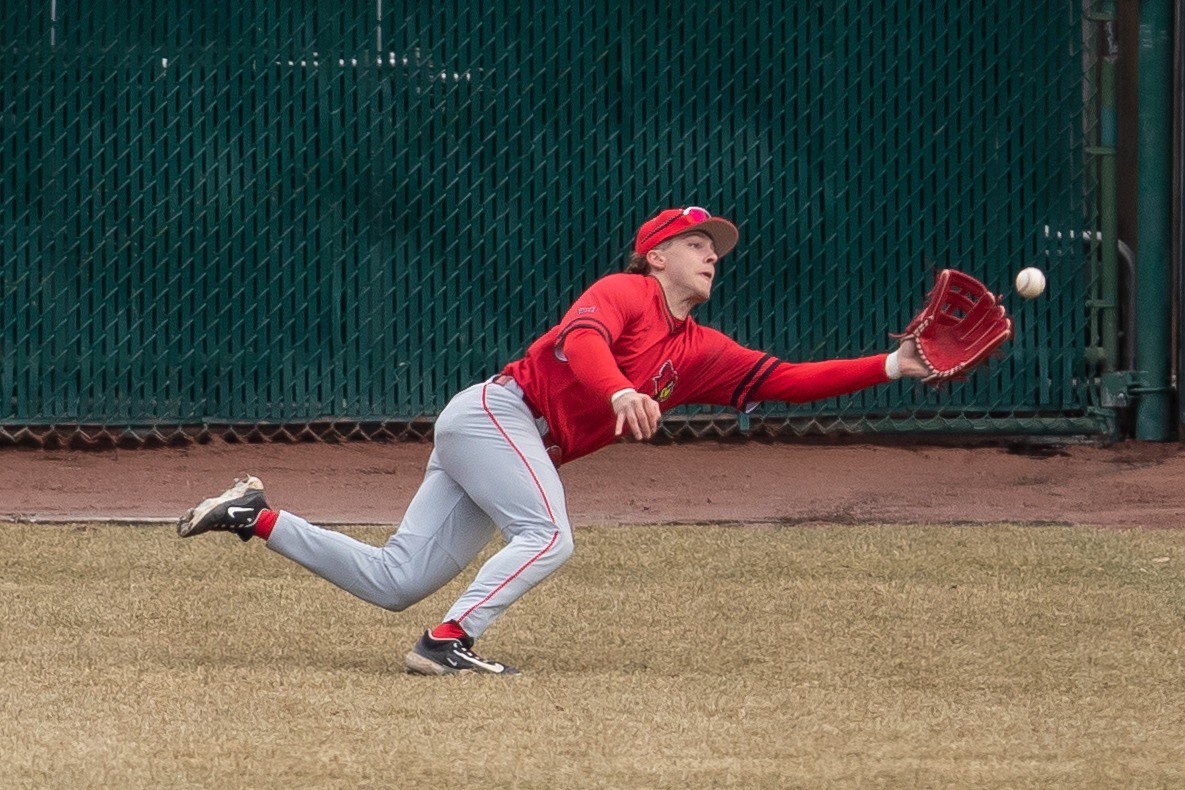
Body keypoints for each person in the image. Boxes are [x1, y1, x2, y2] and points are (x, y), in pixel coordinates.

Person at [178, 206, 931, 675]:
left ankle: (254, 517)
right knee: (548, 535)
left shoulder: (697, 347)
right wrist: (620, 391)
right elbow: (580, 342)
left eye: (715, 248)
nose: (711, 255)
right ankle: (446, 641)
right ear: (655, 255)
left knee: (394, 580)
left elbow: (785, 378)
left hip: (503, 439)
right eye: (695, 242)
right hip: (497, 415)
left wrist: (894, 365)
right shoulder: (625, 290)